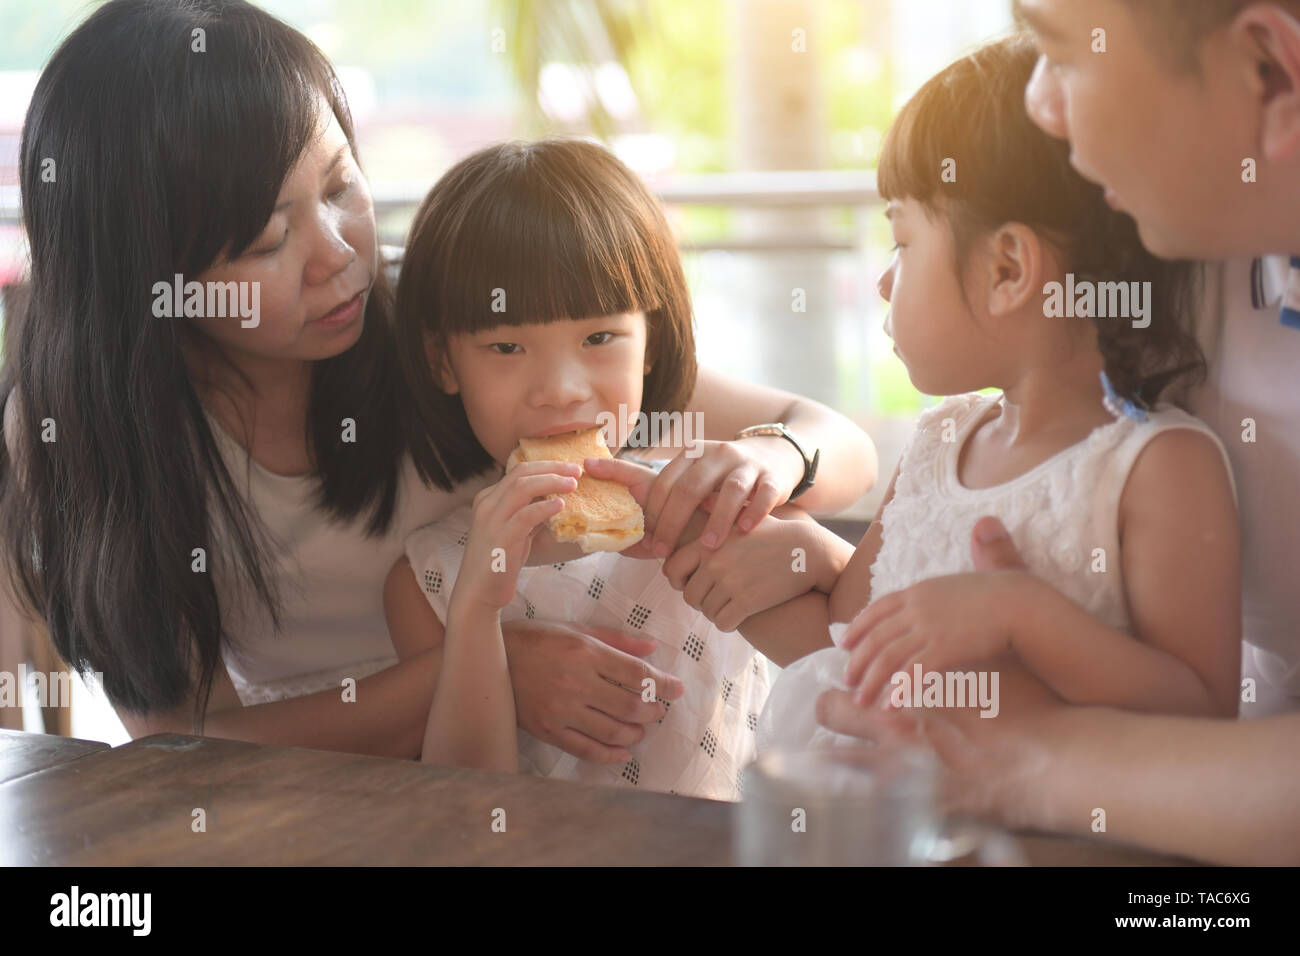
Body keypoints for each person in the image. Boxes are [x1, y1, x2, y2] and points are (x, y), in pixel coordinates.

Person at [0, 0, 876, 762]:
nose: (340, 256)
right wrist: (481, 665)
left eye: (341, 187)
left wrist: (777, 457)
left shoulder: (459, 317)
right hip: (309, 805)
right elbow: (176, 744)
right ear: (147, 277)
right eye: (271, 240)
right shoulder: (77, 429)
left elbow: (837, 444)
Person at [819, 0, 1300, 866]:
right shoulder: (1196, 228)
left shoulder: (1155, 452)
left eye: (1062, 54)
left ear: (1267, 69)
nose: (1042, 104)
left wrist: (1028, 752)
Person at [386, 140, 836, 797]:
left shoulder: (710, 509)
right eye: (507, 346)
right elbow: (468, 807)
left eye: (599, 338)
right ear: (443, 364)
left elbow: (849, 679)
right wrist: (479, 612)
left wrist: (811, 554)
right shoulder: (427, 580)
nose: (562, 389)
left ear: (650, 342)